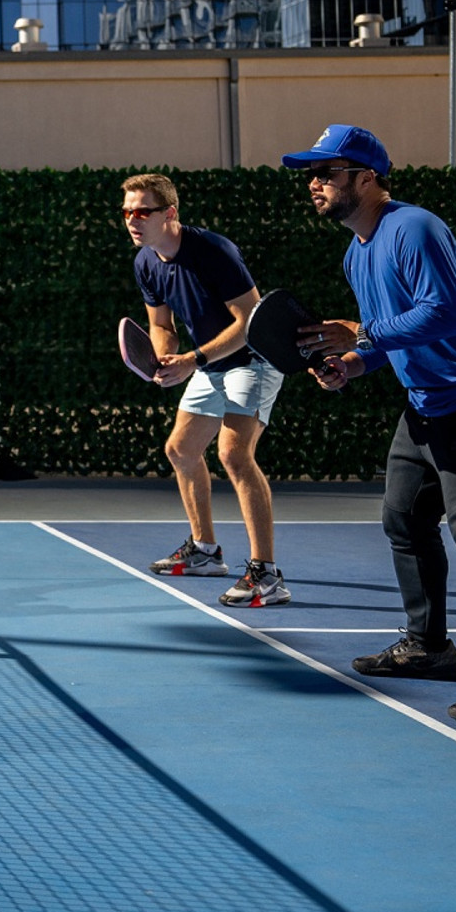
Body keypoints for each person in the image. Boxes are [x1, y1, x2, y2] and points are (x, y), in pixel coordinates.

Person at [282, 124, 456, 726]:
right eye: (311, 174)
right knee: (405, 520)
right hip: (426, 404)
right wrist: (355, 363)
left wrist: (360, 333)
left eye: (326, 172)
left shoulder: (414, 228)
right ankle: (429, 647)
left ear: (367, 178)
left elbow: (444, 313)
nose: (314, 183)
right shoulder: (357, 252)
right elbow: (394, 334)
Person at [123, 173, 288, 607]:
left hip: (254, 358)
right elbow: (161, 325)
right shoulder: (145, 262)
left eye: (142, 211)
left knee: (234, 454)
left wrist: (192, 361)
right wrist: (164, 359)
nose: (133, 220)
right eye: (127, 212)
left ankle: (266, 575)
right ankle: (205, 551)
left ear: (169, 213)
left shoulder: (214, 251)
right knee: (180, 450)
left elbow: (249, 321)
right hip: (210, 363)